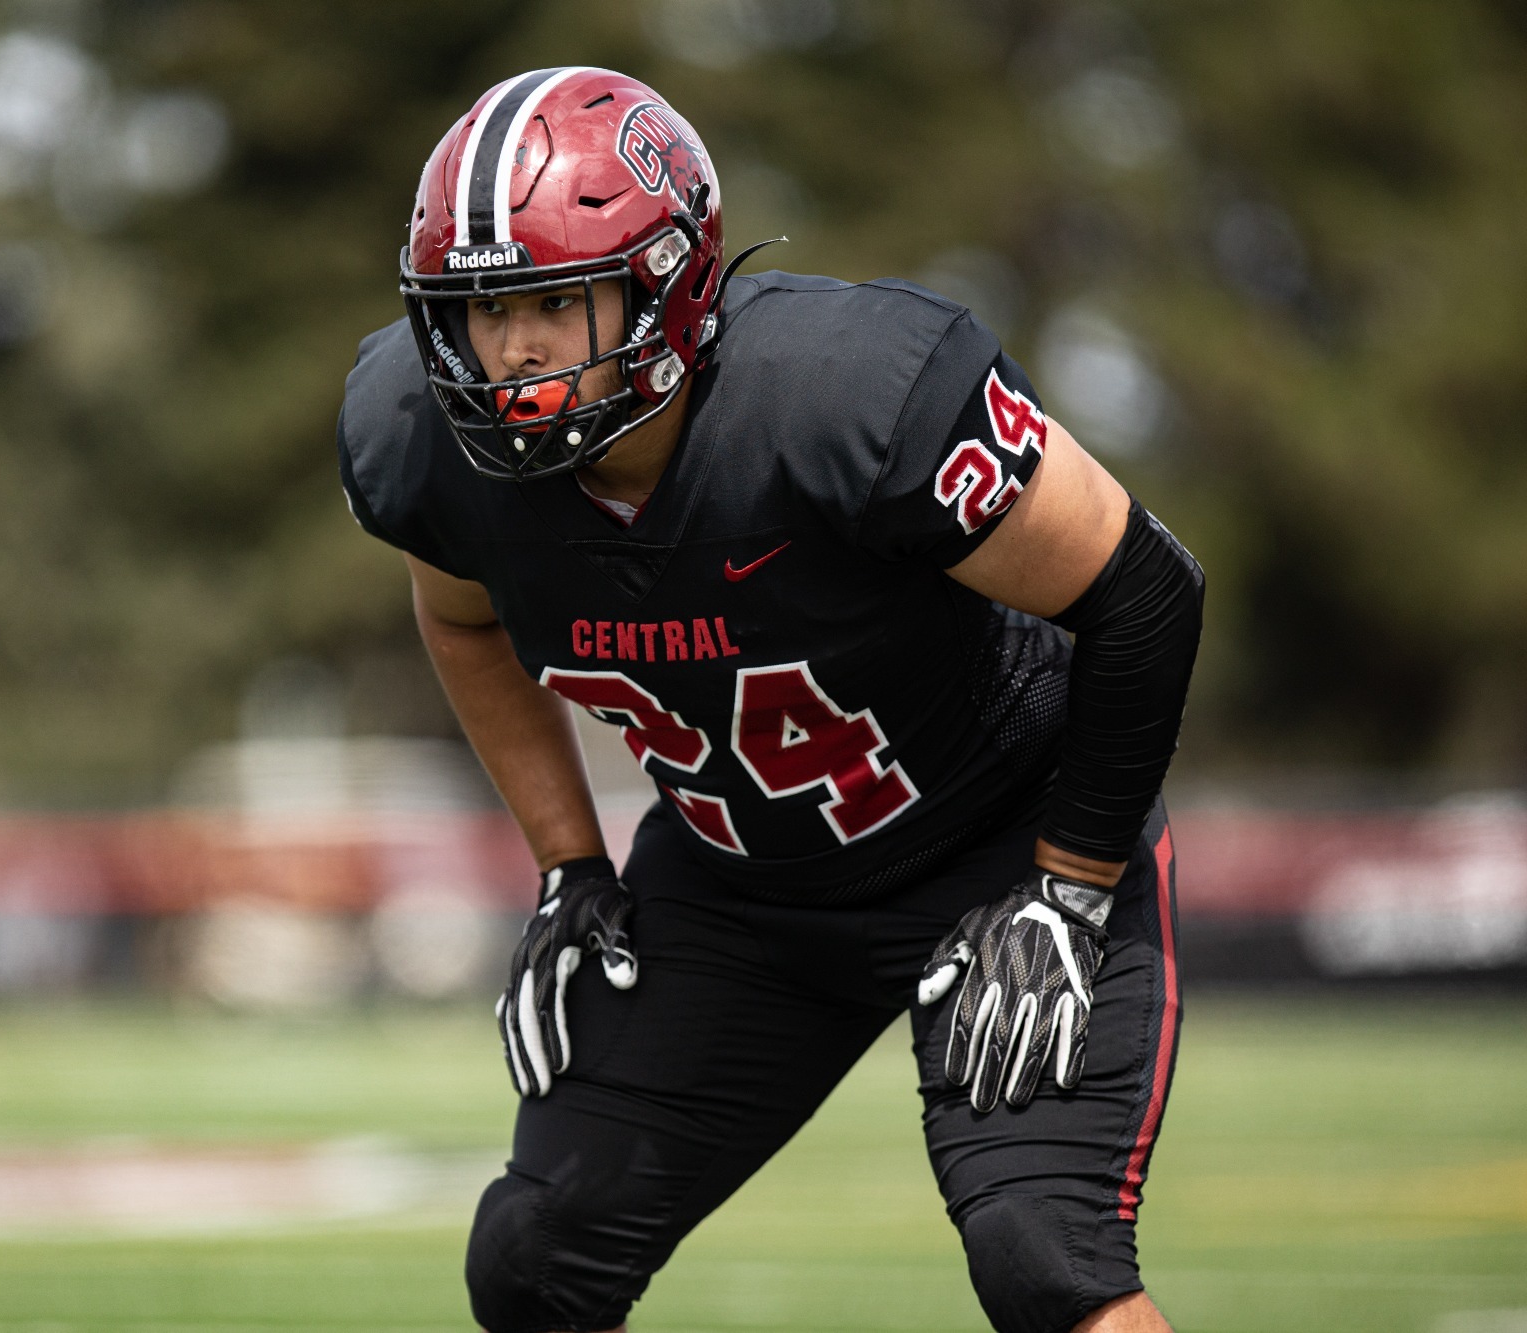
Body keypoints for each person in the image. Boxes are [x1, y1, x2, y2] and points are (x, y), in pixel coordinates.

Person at [336, 66, 1203, 1333]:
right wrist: (568, 865)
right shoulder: (426, 450)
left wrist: (1068, 886)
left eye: (550, 302)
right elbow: (460, 614)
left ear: (667, 284)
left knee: (1041, 1254)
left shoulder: (848, 399)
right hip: (737, 883)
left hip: (997, 854)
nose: (506, 353)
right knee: (533, 1258)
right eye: (477, 312)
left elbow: (1146, 594)